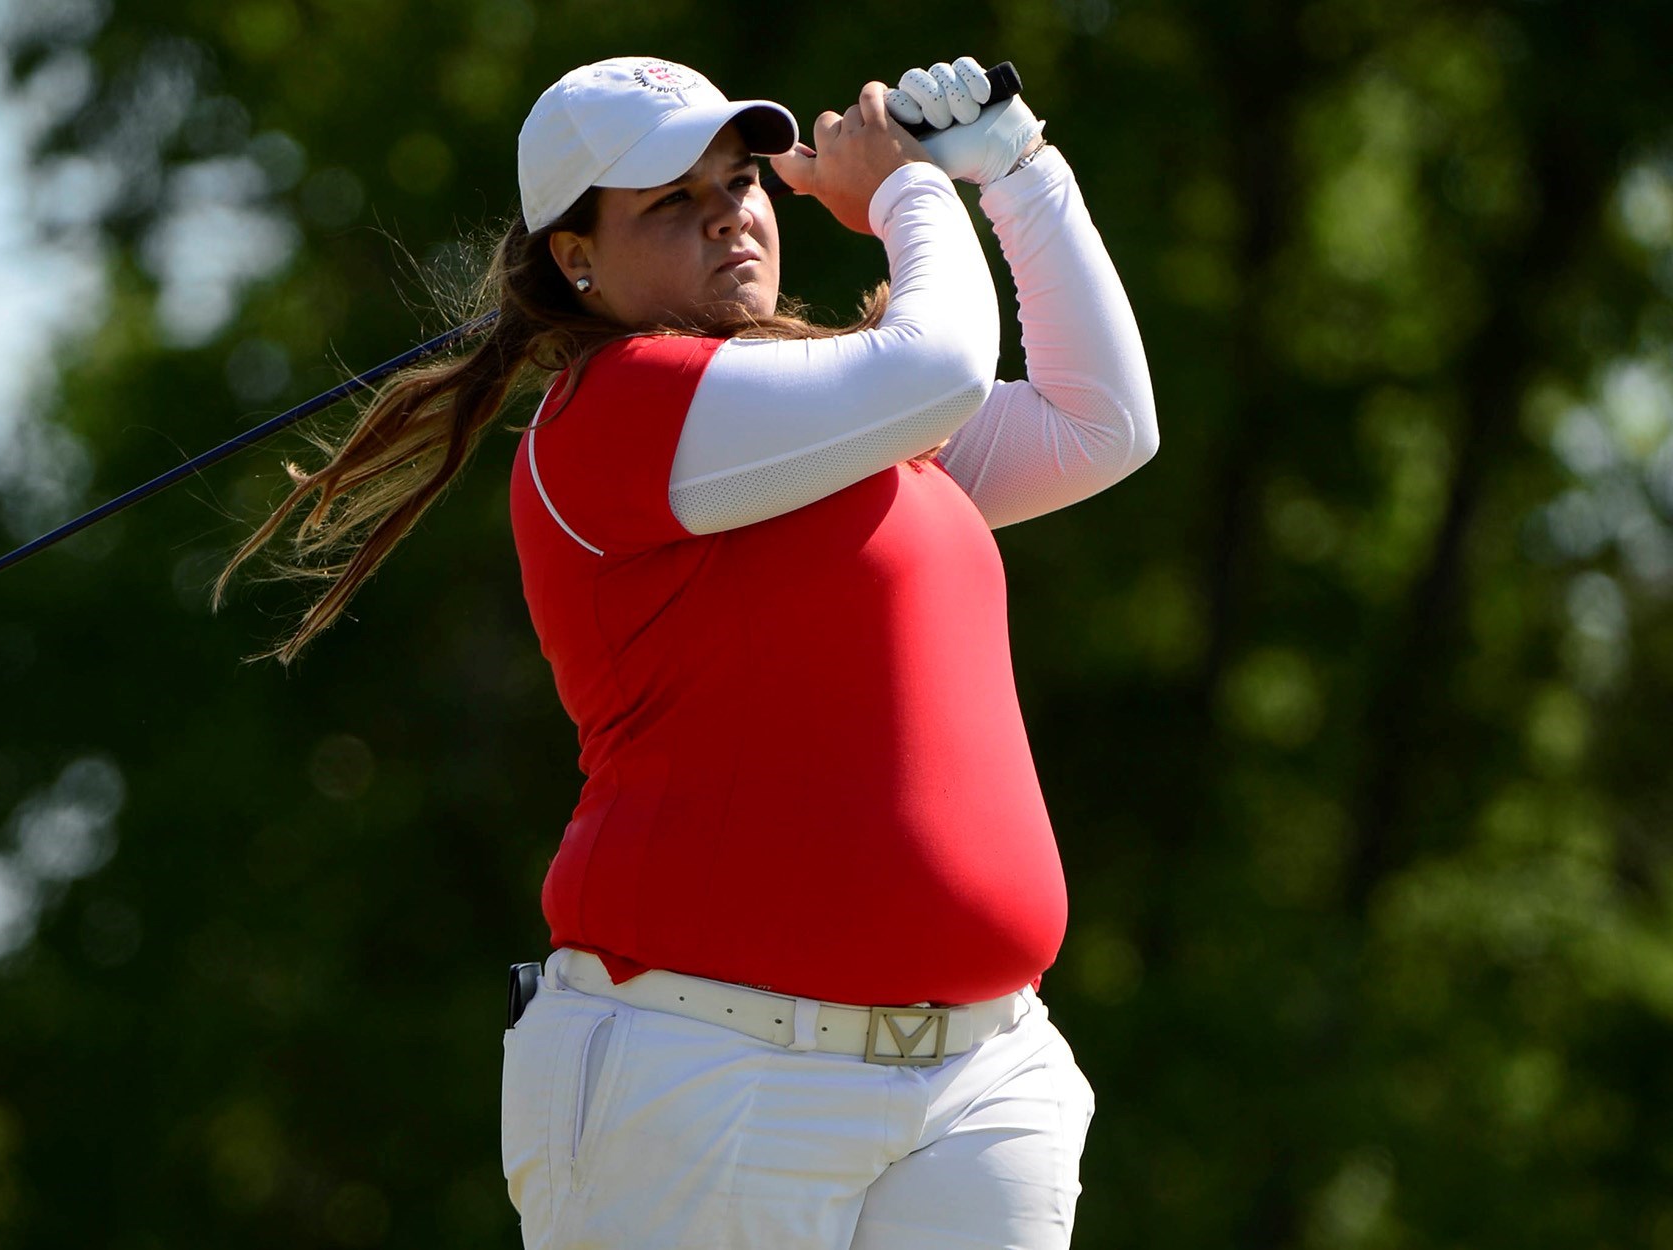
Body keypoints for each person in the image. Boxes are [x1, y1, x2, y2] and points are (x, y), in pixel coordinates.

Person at [220, 52, 1154, 1250]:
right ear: (576, 258)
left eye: (741, 177)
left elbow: (1102, 424)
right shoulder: (614, 409)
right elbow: (936, 366)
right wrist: (907, 192)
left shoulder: (835, 408)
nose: (730, 209)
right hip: (706, 1071)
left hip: (980, 1077)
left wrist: (1013, 170)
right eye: (671, 200)